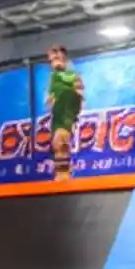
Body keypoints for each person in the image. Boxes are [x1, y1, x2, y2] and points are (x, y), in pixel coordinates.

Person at [45, 45, 85, 181]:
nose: (53, 62)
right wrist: (50, 100)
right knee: (57, 144)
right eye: (51, 60)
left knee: (61, 139)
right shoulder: (54, 76)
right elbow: (51, 95)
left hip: (66, 109)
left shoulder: (71, 74)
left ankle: (64, 174)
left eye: (55, 58)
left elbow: (79, 92)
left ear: (62, 57)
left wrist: (74, 107)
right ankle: (62, 173)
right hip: (58, 110)